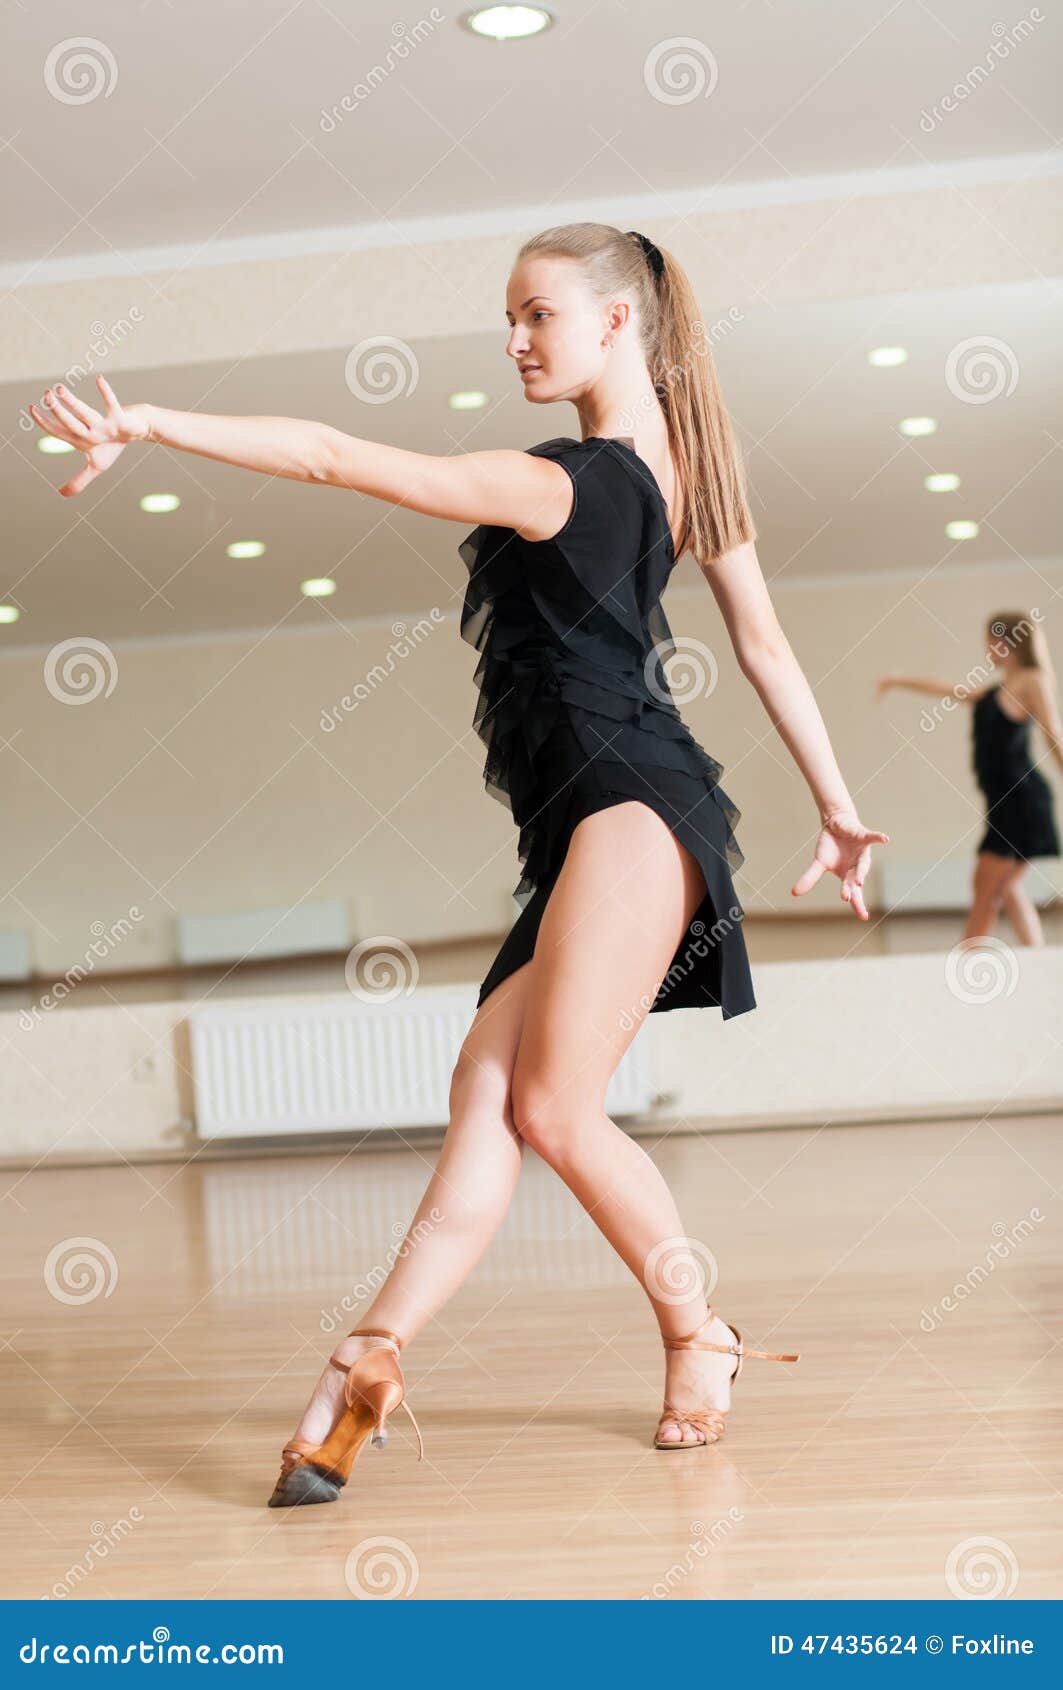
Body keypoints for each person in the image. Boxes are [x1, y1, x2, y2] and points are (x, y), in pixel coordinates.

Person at [29, 222, 888, 1506]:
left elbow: (331, 456)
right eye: (513, 314)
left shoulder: (575, 481)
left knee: (550, 1105)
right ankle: (365, 1359)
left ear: (616, 323)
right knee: (486, 1098)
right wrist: (835, 803)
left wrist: (151, 418)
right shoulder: (681, 467)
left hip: (633, 805)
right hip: (604, 815)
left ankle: (696, 1332)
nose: (514, 338)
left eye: (537, 314)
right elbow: (759, 644)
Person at [879, 612, 1062, 943]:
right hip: (1005, 798)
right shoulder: (997, 691)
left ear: (1007, 643)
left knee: (986, 889)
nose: (987, 650)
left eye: (990, 643)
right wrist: (899, 680)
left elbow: (1054, 732)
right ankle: (1038, 956)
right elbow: (948, 690)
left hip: (1020, 798)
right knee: (1005, 888)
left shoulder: (1032, 680)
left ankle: (965, 961)